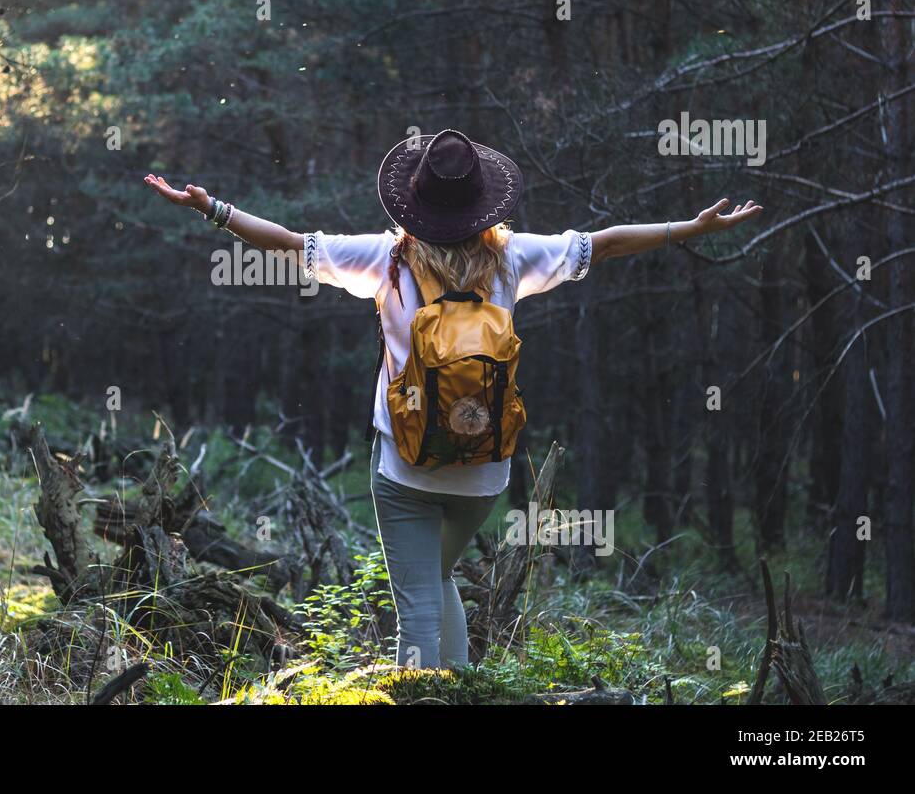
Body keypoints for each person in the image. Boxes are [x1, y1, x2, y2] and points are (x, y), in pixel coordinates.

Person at [143, 127, 762, 669]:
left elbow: (286, 242)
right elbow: (606, 243)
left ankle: (424, 696)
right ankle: (461, 689)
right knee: (436, 580)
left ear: (413, 203)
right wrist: (690, 228)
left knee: (416, 603)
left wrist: (214, 209)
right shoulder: (513, 258)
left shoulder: (385, 260)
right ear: (482, 202)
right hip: (486, 473)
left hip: (405, 464)